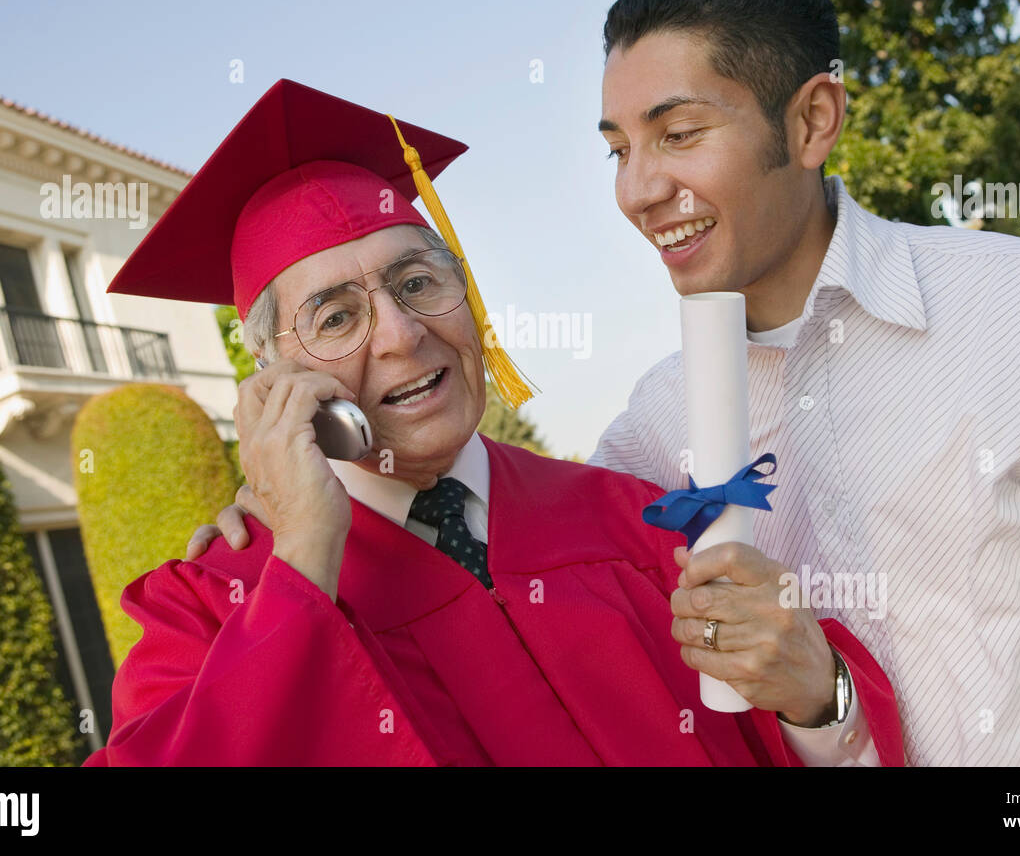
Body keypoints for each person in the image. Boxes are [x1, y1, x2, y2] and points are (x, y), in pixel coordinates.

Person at [197, 0, 1020, 766]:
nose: (638, 188)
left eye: (677, 134)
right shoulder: (651, 440)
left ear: (810, 121)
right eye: (617, 148)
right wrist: (292, 511)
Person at [85, 78, 904, 766]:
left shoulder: (632, 521)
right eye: (335, 319)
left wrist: (820, 700)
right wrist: (301, 559)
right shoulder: (211, 607)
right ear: (275, 379)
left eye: (417, 283)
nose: (404, 335)